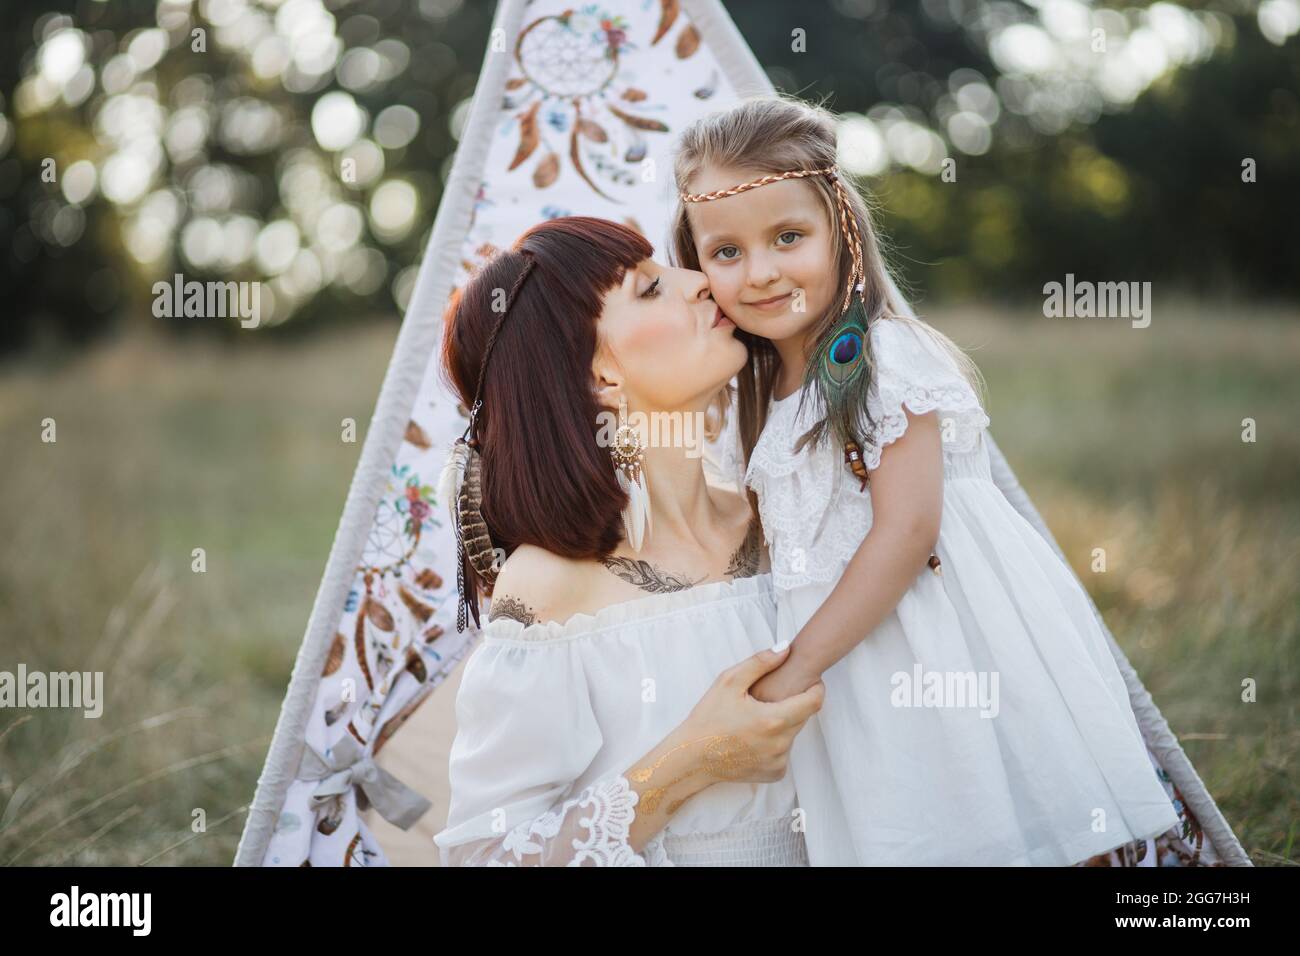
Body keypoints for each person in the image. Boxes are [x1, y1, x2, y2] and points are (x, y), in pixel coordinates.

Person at [669, 95, 1184, 865]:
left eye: (788, 237)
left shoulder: (887, 359)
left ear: (841, 233)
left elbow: (907, 533)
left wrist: (796, 669)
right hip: (851, 672)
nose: (763, 272)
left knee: (995, 822)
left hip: (939, 653)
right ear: (697, 264)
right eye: (727, 252)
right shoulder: (752, 396)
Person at [432, 216, 824, 866]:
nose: (701, 281)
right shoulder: (550, 590)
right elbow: (483, 855)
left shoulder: (783, 514)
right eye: (649, 289)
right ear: (597, 377)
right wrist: (689, 762)